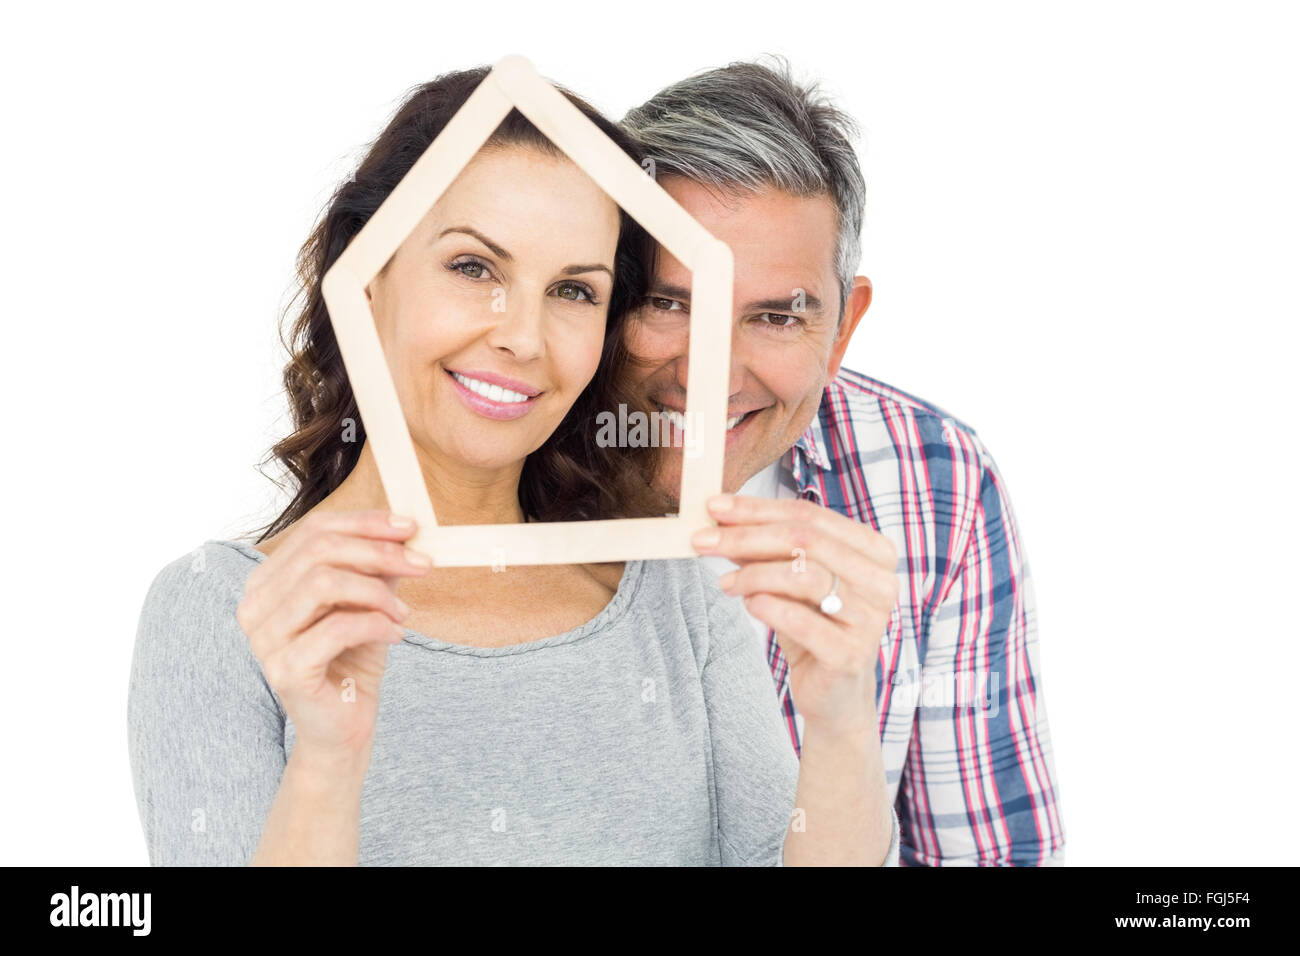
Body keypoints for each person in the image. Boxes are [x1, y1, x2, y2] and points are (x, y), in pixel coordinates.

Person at [126, 65, 902, 866]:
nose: (522, 337)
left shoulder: (670, 596)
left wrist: (842, 719)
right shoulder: (225, 613)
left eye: (573, 290)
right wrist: (328, 762)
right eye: (474, 268)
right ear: (367, 277)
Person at [618, 58, 1066, 865]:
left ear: (843, 329)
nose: (710, 371)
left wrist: (843, 727)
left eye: (776, 319)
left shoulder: (938, 484)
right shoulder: (477, 468)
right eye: (667, 301)